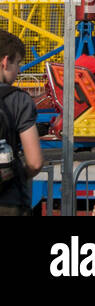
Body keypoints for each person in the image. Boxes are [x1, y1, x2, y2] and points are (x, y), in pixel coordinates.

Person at [0, 29, 43, 217]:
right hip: (9, 201)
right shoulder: (18, 100)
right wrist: (14, 175)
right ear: (5, 62)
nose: (19, 70)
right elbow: (35, 162)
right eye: (17, 63)